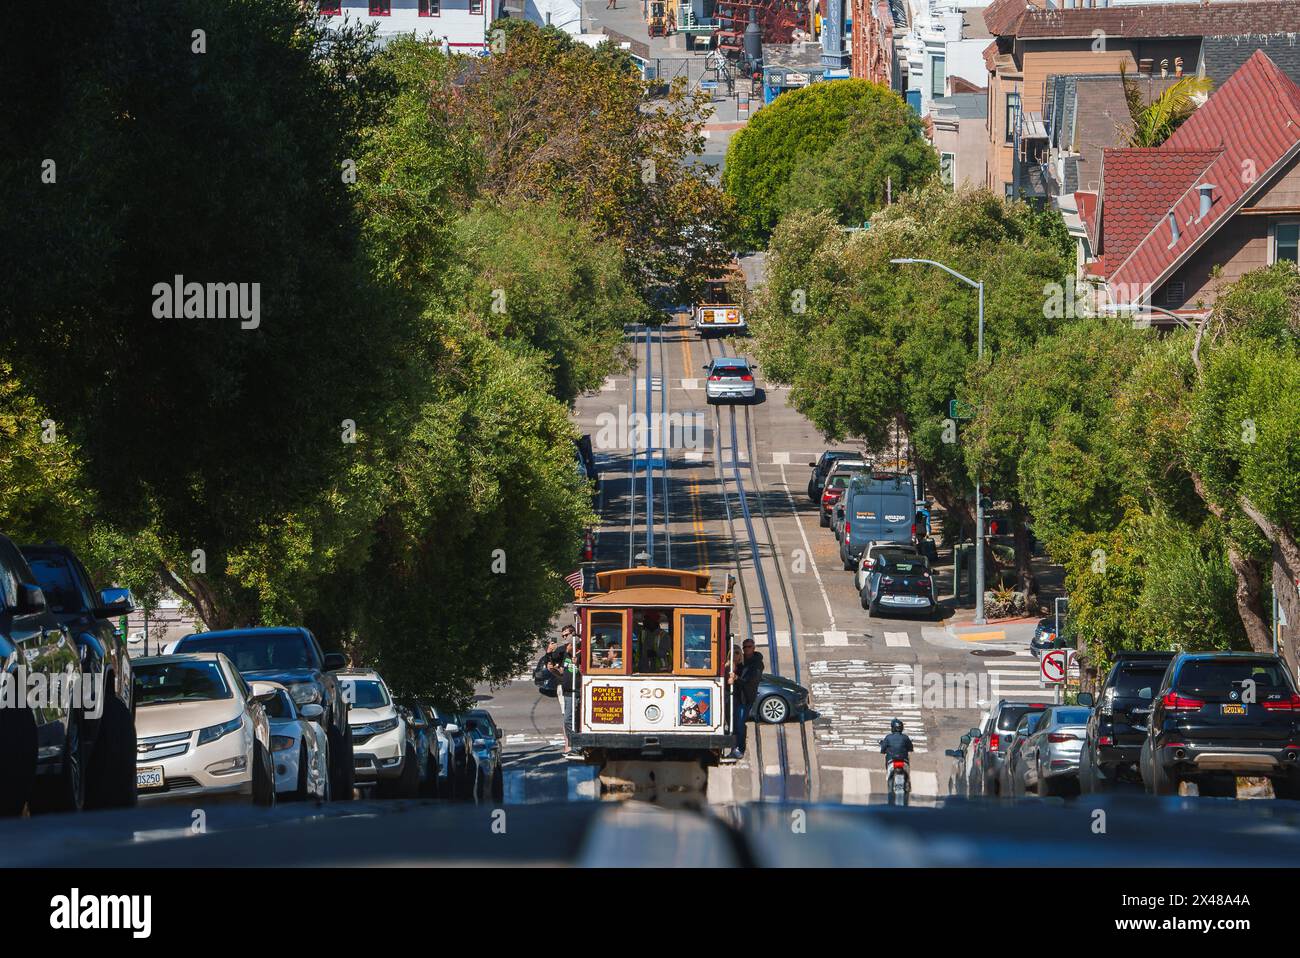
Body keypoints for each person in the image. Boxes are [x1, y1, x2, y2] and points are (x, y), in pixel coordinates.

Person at [548, 625, 579, 755]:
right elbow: (554, 663)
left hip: (576, 691)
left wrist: (577, 662)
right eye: (563, 636)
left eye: (566, 635)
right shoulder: (564, 652)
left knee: (570, 720)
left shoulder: (581, 653)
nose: (564, 638)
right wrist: (549, 654)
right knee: (568, 720)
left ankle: (575, 746)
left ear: (574, 636)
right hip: (566, 691)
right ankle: (572, 746)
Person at [730, 639, 763, 758]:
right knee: (734, 723)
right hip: (738, 696)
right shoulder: (742, 660)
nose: (746, 649)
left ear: (754, 647)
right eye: (745, 647)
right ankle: (734, 747)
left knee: (739, 723)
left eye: (749, 647)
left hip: (746, 698)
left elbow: (751, 681)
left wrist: (736, 678)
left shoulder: (757, 664)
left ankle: (740, 748)